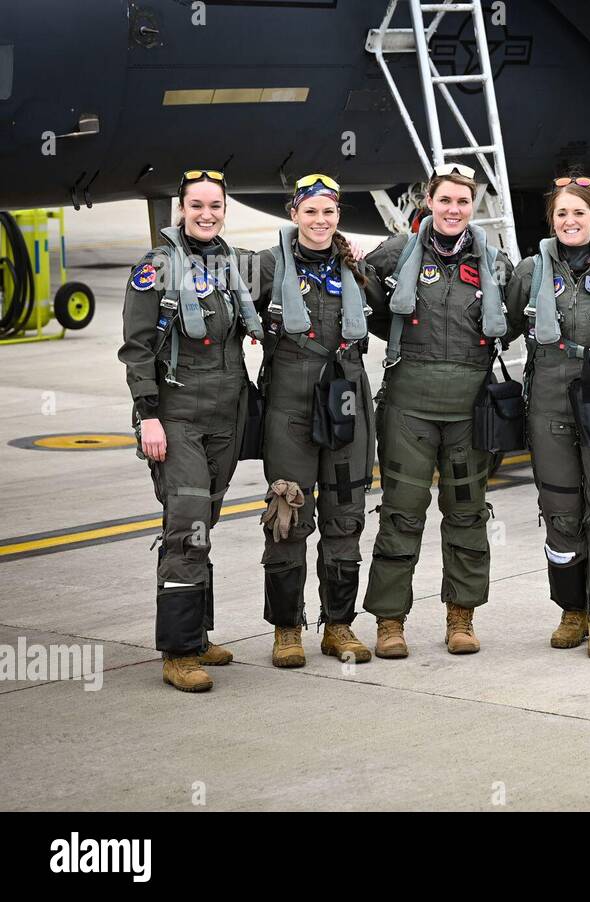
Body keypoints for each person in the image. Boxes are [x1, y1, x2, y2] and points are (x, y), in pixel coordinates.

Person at [119, 169, 264, 692]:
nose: (206, 214)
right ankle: (178, 654)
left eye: (215, 206)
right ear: (181, 208)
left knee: (204, 522)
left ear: (225, 210)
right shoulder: (155, 268)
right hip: (176, 416)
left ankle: (198, 634)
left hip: (226, 416)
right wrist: (148, 415)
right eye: (196, 205)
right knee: (185, 526)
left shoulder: (235, 266)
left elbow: (294, 267)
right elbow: (136, 347)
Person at [362, 163, 515, 658]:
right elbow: (367, 307)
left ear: (473, 208)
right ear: (428, 201)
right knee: (401, 515)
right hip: (409, 403)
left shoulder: (494, 262)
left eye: (463, 203)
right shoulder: (395, 253)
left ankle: (461, 617)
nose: (453, 210)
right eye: (445, 200)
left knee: (467, 515)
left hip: (470, 408)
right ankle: (390, 622)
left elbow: (507, 322)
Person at [505, 175, 590, 658]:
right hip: (548, 402)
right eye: (562, 213)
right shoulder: (530, 272)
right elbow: (503, 325)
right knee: (561, 509)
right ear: (552, 220)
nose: (570, 221)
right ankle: (572, 611)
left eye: (579, 213)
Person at [251, 174, 378, 668]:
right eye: (310, 212)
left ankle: (339, 625)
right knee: (286, 516)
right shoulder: (267, 266)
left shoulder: (355, 267)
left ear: (338, 216)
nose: (320, 221)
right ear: (294, 215)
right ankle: (287, 630)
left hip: (345, 397)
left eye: (328, 212)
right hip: (290, 404)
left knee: (345, 516)